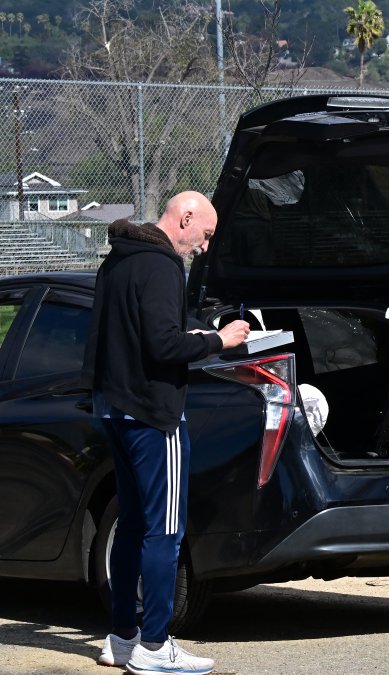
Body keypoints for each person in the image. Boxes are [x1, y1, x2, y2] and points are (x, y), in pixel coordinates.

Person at [83, 191, 250, 674]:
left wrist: (191, 334)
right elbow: (161, 345)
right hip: (155, 414)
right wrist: (219, 340)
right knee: (165, 530)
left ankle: (123, 638)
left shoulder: (118, 260)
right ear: (186, 217)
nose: (205, 246)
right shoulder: (162, 265)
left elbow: (135, 334)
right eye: (206, 235)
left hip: (114, 408)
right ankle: (155, 645)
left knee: (133, 525)